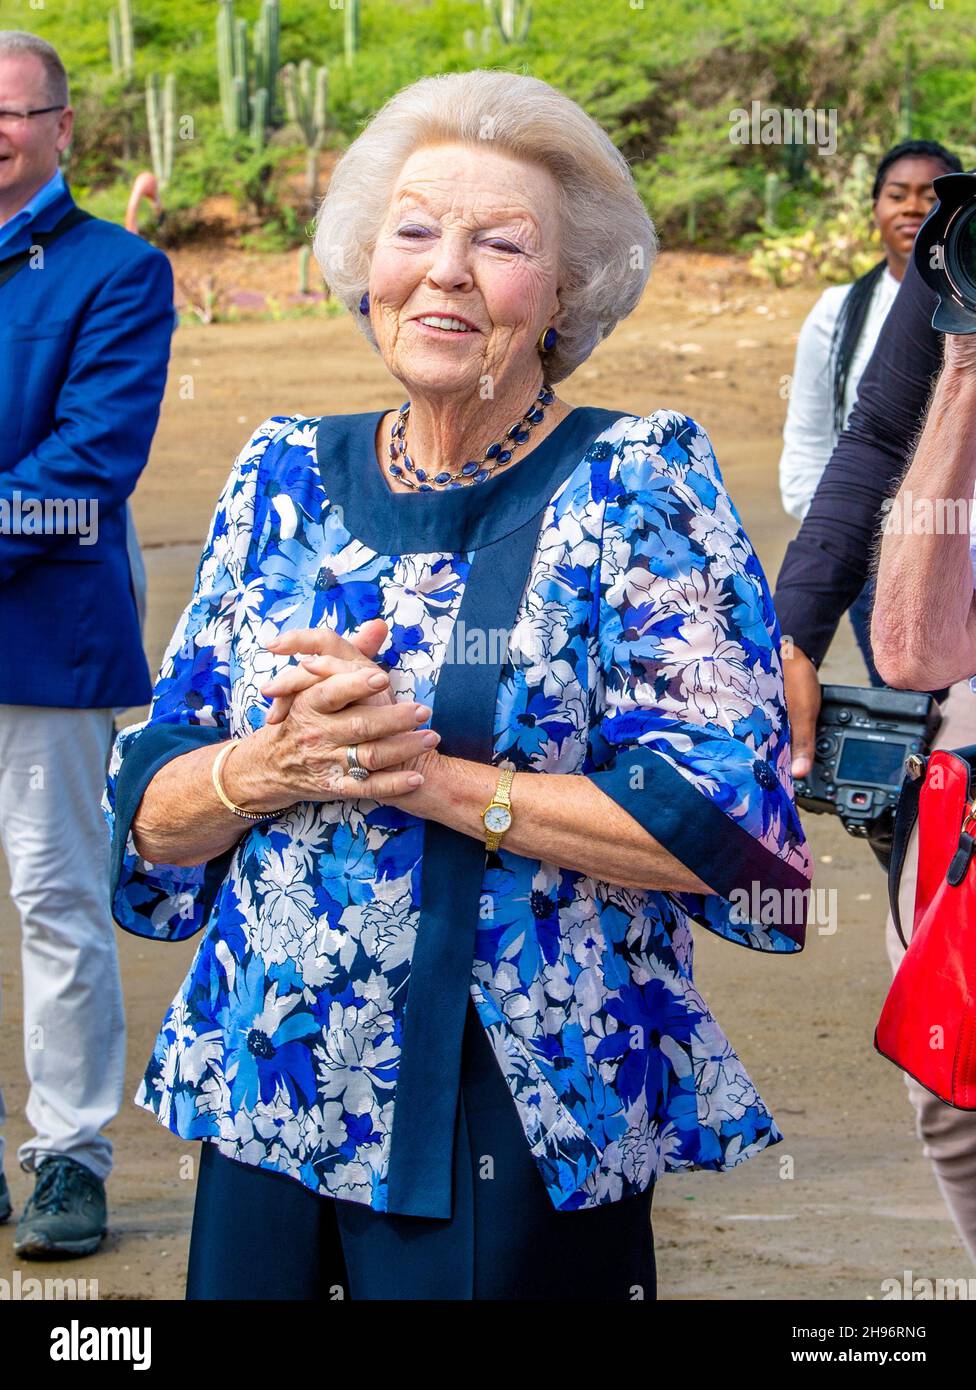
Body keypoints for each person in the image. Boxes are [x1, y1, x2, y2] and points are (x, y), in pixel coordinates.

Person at [103, 68, 812, 1301]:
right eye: (415, 229)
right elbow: (150, 802)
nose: (446, 270)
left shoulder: (635, 481)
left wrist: (423, 776)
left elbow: (728, 824)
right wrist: (262, 768)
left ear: (564, 294)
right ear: (366, 260)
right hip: (271, 1077)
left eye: (500, 243)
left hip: (519, 1102)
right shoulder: (278, 471)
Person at [773, 196, 976, 1264]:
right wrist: (794, 629)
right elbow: (876, 440)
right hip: (958, 672)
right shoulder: (964, 243)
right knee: (951, 1074)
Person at [0, 31, 174, 1256]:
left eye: (12, 112)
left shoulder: (117, 272)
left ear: (64, 126)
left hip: (42, 644)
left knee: (55, 897)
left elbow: (89, 469)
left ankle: (67, 1154)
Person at [779, 140, 961, 685]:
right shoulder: (953, 257)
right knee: (920, 726)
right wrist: (791, 643)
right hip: (894, 553)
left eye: (926, 196)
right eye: (897, 194)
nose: (912, 208)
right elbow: (878, 437)